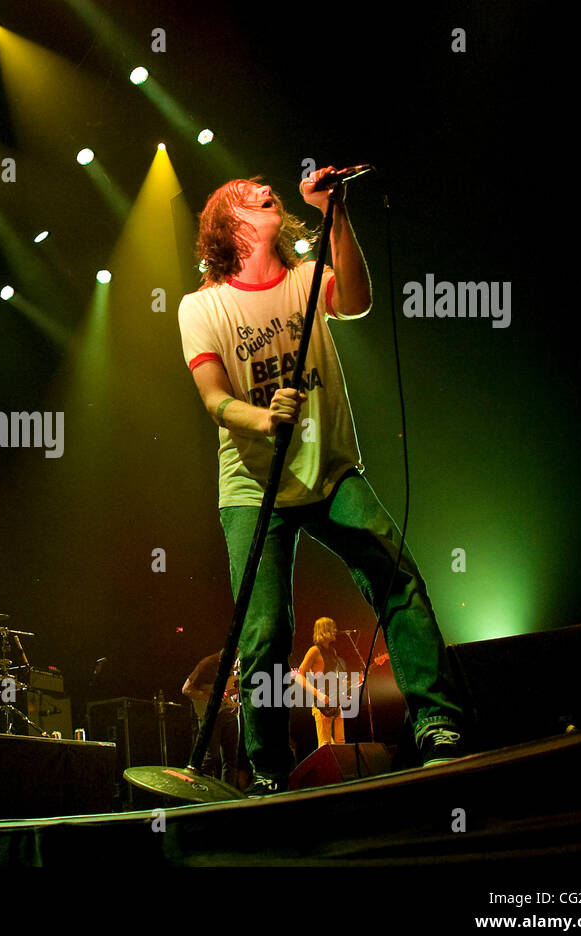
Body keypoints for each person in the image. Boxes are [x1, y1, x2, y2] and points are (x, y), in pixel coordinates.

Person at [176, 168, 467, 796]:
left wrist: (338, 214)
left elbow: (357, 300)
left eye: (269, 191)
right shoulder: (202, 306)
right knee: (265, 633)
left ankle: (439, 723)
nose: (268, 193)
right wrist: (261, 416)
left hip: (331, 471)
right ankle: (270, 769)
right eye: (251, 195)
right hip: (253, 487)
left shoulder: (308, 280)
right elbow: (213, 399)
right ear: (229, 225)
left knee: (396, 574)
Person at [182, 651, 249, 791]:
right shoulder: (208, 664)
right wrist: (210, 697)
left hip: (232, 714)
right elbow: (186, 689)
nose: (235, 667)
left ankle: (227, 796)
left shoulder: (242, 664)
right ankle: (202, 793)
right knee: (210, 757)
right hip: (212, 714)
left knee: (231, 760)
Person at [294, 617, 352, 748]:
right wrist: (318, 695)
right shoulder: (314, 651)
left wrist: (349, 685)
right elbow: (298, 676)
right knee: (325, 745)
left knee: (341, 743)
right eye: (333, 627)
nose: (336, 630)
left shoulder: (332, 651)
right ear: (325, 630)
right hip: (321, 704)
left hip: (336, 702)